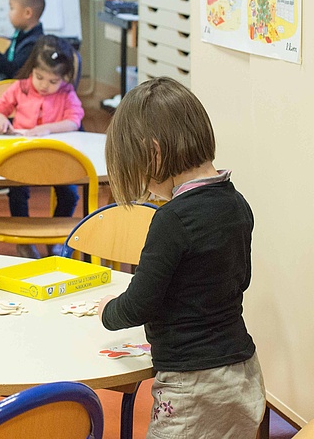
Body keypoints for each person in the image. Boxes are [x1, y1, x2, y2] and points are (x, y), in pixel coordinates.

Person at [99, 77, 265, 439]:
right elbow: (241, 279)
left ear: (155, 153)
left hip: (192, 385)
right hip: (243, 374)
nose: (146, 186)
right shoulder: (237, 203)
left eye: (141, 171)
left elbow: (138, 306)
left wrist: (107, 311)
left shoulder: (172, 219)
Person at [0, 35, 84, 258]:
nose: (45, 85)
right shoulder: (21, 87)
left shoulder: (66, 92)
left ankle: (56, 239)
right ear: (32, 70)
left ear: (64, 78)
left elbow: (74, 121)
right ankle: (24, 241)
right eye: (39, 77)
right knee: (17, 193)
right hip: (22, 158)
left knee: (69, 195)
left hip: (57, 160)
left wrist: (47, 128)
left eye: (53, 81)